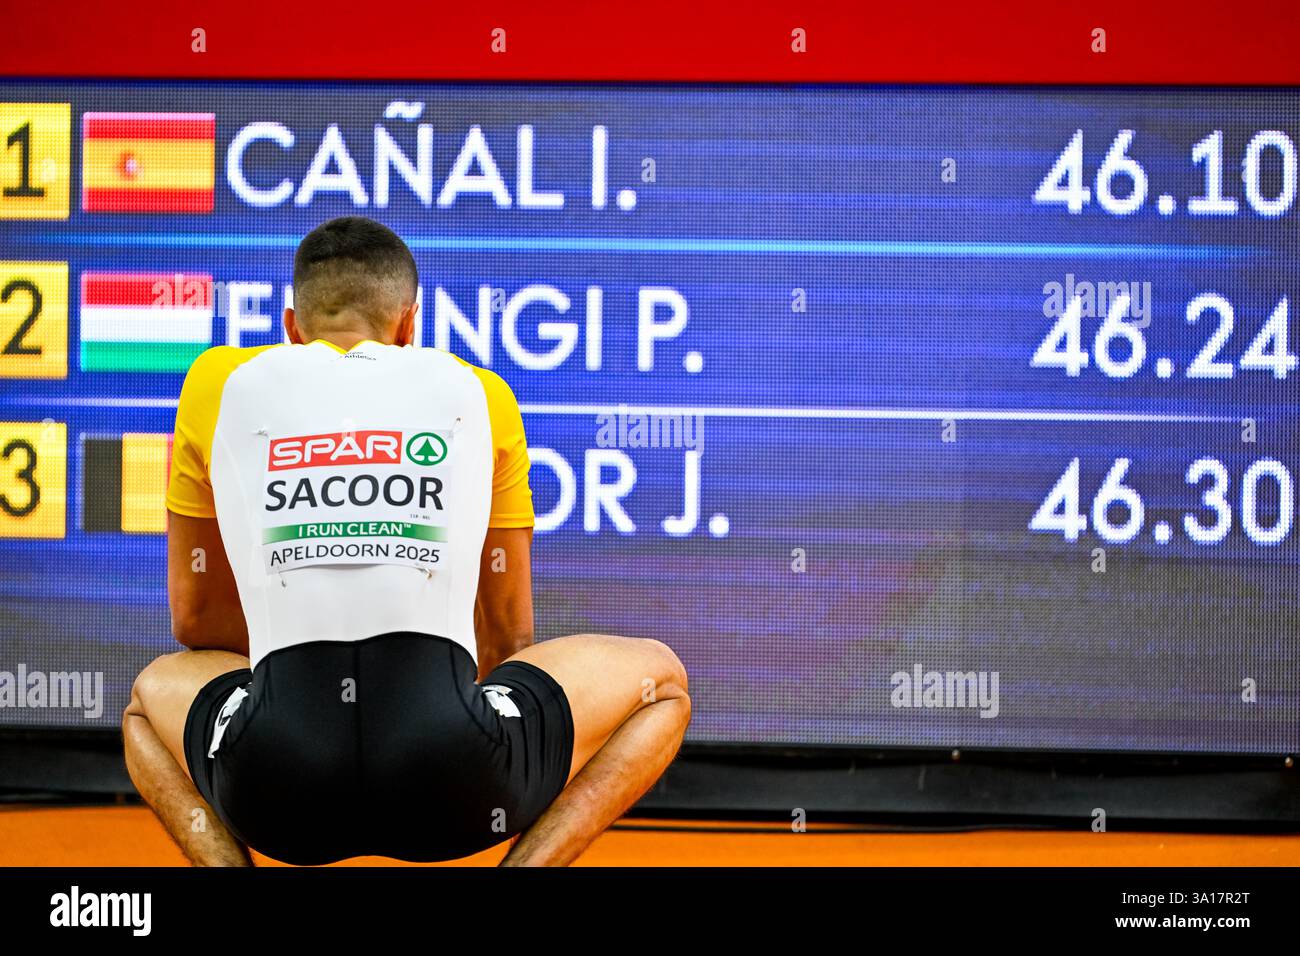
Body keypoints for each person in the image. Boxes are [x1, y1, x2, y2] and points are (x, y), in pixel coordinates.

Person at [121, 216, 691, 866]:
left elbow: (196, 621)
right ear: (408, 326)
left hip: (275, 791)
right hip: (456, 784)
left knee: (144, 702)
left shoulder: (218, 384)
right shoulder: (479, 392)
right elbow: (509, 640)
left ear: (290, 328)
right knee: (663, 683)